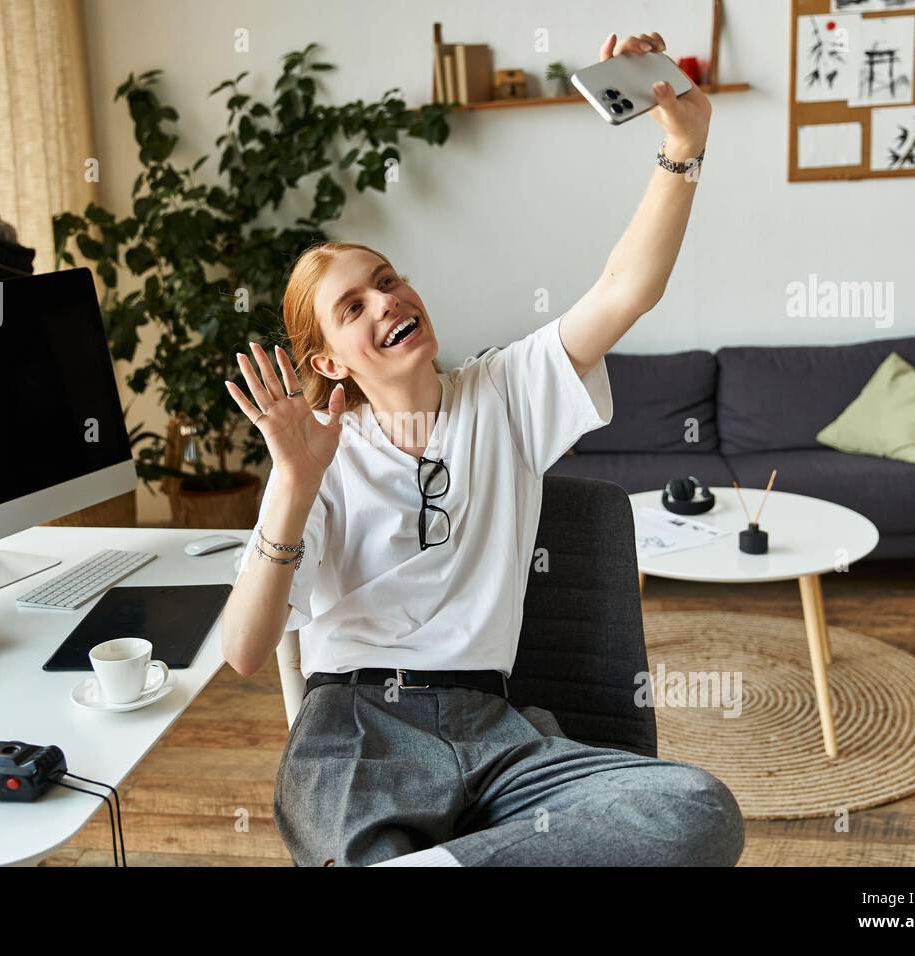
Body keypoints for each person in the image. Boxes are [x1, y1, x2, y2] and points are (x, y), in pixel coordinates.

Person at [221, 30, 744, 867]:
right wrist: (290, 481)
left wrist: (681, 150)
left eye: (386, 279)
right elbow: (246, 652)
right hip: (356, 729)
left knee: (695, 809)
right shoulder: (318, 456)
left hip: (500, 733)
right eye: (351, 308)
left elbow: (625, 289)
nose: (385, 300)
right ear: (329, 362)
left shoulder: (506, 392)